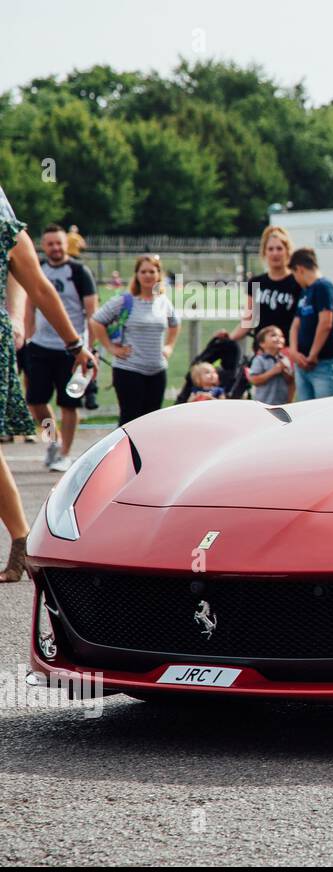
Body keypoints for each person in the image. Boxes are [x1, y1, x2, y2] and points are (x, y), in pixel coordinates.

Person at [0, 184, 95, 581]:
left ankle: (58, 447)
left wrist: (77, 344)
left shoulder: (8, 231)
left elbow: (37, 286)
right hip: (36, 347)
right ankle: (22, 535)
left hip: (43, 345)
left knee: (66, 407)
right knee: (39, 405)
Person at [22, 224, 97, 473]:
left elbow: (91, 313)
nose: (55, 248)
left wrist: (89, 347)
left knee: (69, 403)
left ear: (67, 244)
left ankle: (65, 453)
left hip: (71, 348)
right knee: (35, 401)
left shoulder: (78, 272)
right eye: (50, 244)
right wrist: (27, 337)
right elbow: (30, 307)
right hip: (41, 346)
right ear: (43, 246)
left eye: (59, 243)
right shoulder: (38, 269)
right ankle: (53, 441)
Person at [89, 255, 179, 425]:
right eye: (143, 271)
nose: (147, 275)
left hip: (157, 370)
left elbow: (175, 324)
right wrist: (111, 348)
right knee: (130, 420)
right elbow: (96, 320)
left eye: (152, 271)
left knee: (152, 422)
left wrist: (169, 346)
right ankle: (128, 452)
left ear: (159, 274)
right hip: (129, 369)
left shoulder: (163, 302)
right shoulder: (125, 301)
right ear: (136, 275)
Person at [215, 224, 299, 354]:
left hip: (289, 353)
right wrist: (229, 339)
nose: (275, 253)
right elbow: (249, 321)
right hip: (262, 353)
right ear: (264, 252)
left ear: (287, 251)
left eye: (279, 248)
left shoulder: (297, 282)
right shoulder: (256, 283)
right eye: (270, 249)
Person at [287, 247, 333, 401]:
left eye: (294, 274)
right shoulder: (306, 292)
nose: (295, 279)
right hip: (301, 364)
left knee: (325, 412)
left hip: (321, 364)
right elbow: (295, 325)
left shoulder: (323, 287)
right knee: (306, 413)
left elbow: (326, 323)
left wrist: (313, 355)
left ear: (299, 269)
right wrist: (293, 352)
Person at [247, 325, 295, 406]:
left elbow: (291, 382)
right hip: (263, 404)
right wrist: (272, 372)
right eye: (273, 335)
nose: (279, 338)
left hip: (282, 404)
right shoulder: (259, 360)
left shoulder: (285, 360)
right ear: (262, 343)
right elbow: (254, 380)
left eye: (281, 336)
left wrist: (284, 371)